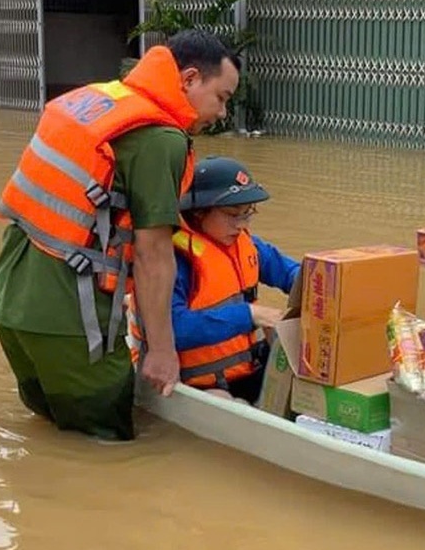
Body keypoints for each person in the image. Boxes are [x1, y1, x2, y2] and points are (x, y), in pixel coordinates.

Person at [0, 30, 241, 441]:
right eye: (223, 98)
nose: (222, 113)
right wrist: (161, 352)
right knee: (107, 451)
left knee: (52, 438)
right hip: (71, 320)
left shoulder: (99, 98)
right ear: (191, 79)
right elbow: (153, 254)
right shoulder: (161, 139)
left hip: (11, 304)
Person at [127, 156, 299, 404]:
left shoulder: (247, 245)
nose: (241, 225)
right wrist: (250, 315)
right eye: (232, 214)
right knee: (228, 401)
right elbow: (173, 330)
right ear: (198, 212)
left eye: (247, 214)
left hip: (245, 370)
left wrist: (323, 283)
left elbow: (292, 273)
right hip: (195, 381)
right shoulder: (173, 262)